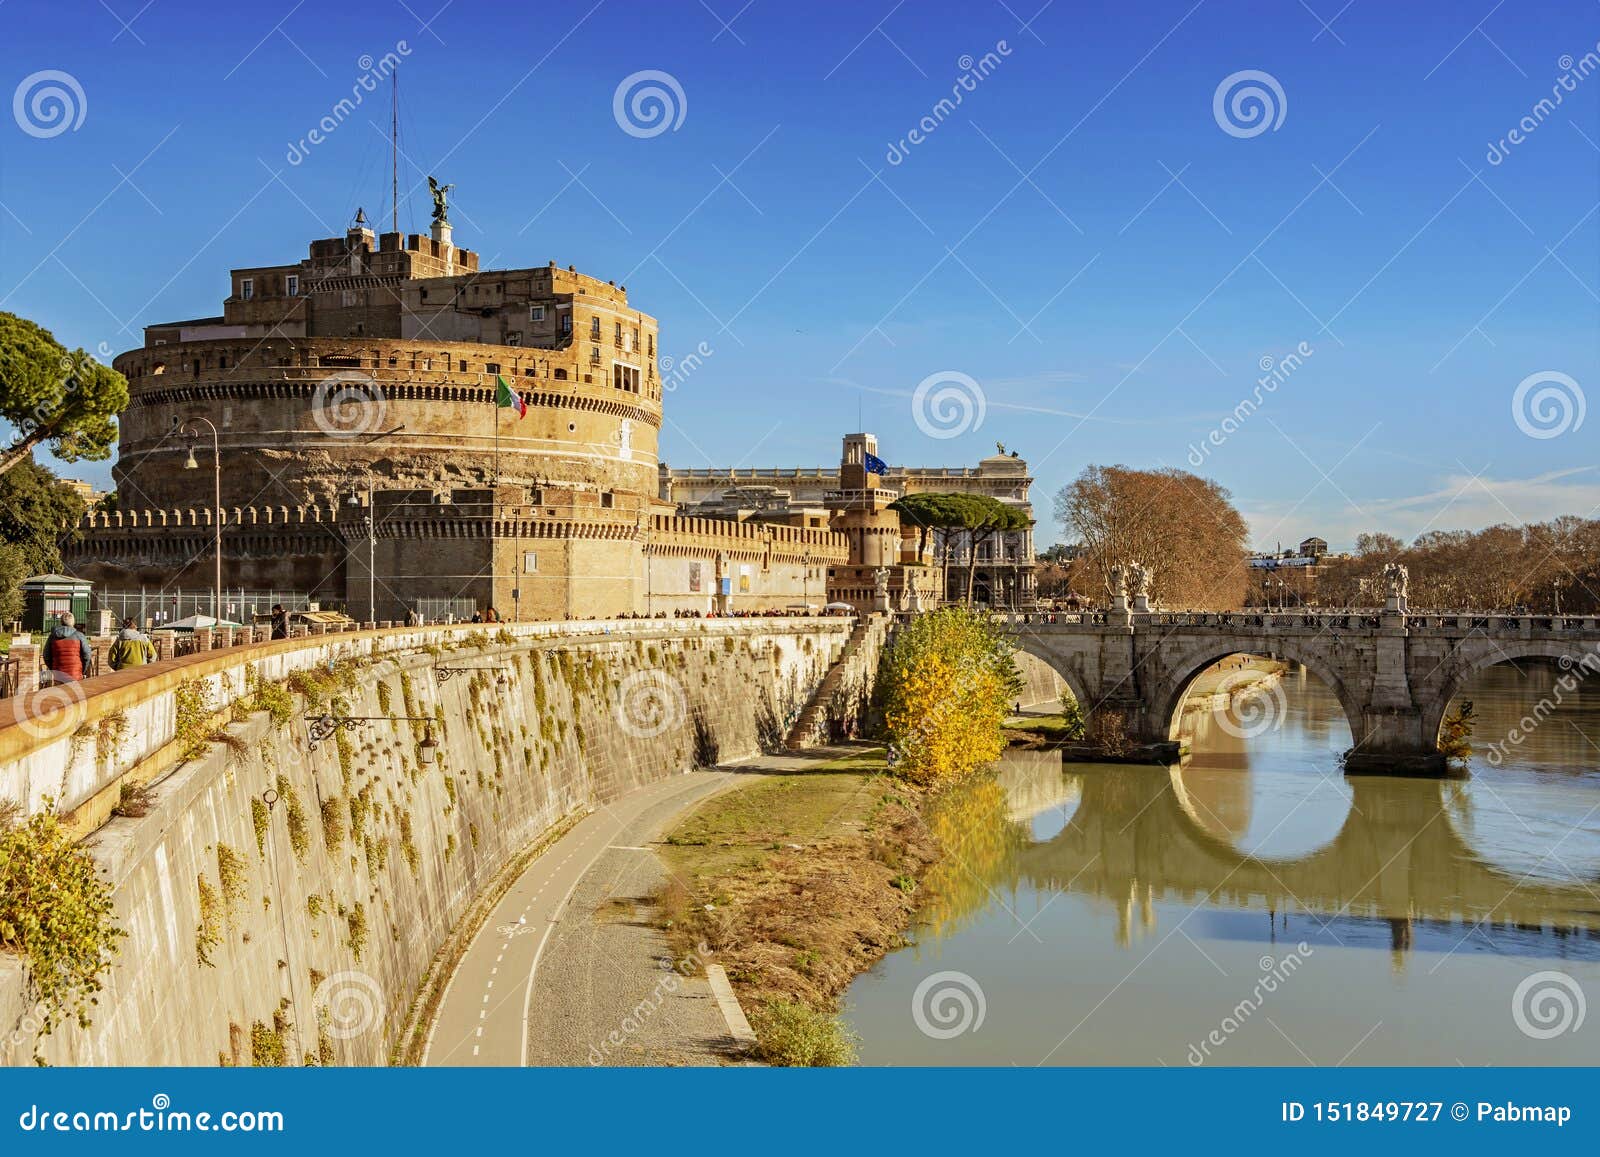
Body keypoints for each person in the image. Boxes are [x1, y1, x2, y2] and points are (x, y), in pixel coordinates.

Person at [44, 612, 92, 684]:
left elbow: (46, 656)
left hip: (58, 675)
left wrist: (53, 669)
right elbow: (87, 655)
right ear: (73, 622)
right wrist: (82, 670)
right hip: (75, 674)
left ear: (61, 621)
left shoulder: (52, 636)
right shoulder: (79, 636)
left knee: (61, 694)